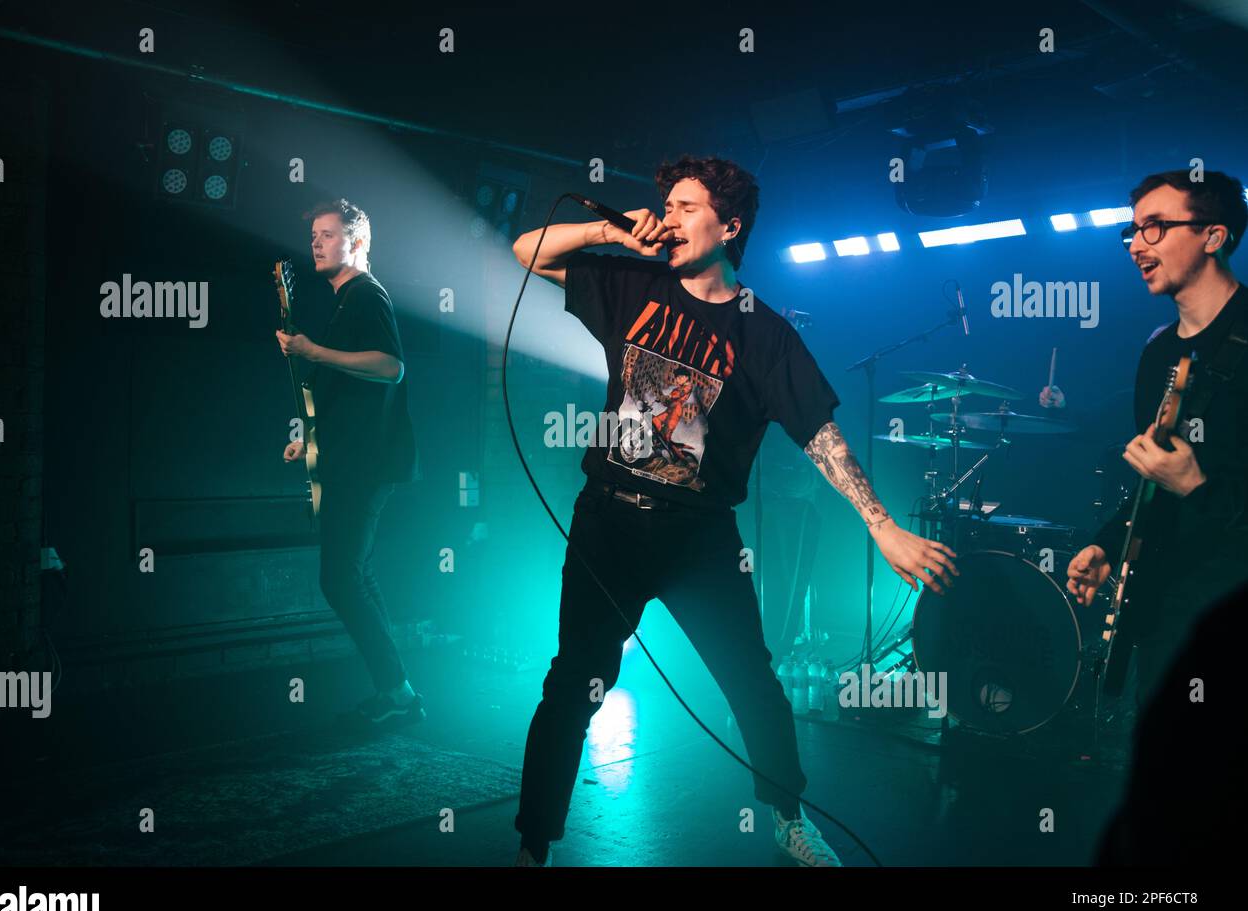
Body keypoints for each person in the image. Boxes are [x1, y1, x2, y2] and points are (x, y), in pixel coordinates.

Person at [510, 156, 957, 867]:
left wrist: (882, 524)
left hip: (699, 538)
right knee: (574, 682)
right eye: (669, 204)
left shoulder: (764, 333)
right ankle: (534, 845)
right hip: (609, 523)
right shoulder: (633, 284)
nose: (670, 217)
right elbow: (525, 251)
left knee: (752, 681)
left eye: (688, 206)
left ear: (731, 225)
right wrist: (609, 230)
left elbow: (819, 433)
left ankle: (787, 817)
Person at [1066, 171, 1248, 706]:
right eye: (1132, 232)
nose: (1136, 247)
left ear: (1213, 237)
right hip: (1166, 619)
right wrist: (1106, 542)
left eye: (1155, 228)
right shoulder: (1158, 355)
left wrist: (1199, 486)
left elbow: (1189, 483)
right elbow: (1153, 485)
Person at [277, 198, 421, 727]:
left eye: (328, 234)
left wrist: (314, 352)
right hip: (354, 458)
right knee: (355, 574)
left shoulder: (365, 294)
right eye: (313, 234)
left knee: (339, 578)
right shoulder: (346, 300)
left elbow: (391, 368)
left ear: (356, 243)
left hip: (367, 465)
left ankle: (398, 691)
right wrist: (312, 441)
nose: (316, 242)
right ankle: (399, 693)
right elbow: (348, 395)